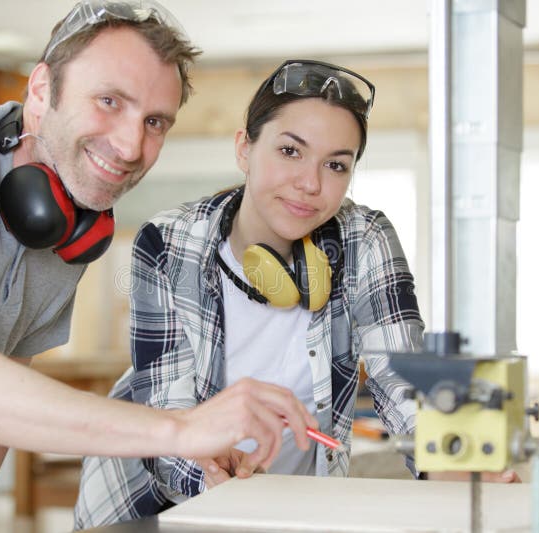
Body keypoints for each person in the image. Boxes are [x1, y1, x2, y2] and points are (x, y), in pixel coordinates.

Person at [0, 3, 318, 531]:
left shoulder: (69, 223)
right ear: (41, 90)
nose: (130, 146)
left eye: (154, 122)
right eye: (108, 101)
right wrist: (177, 430)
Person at [74, 58, 432, 528]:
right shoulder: (169, 242)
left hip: (293, 507)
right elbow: (165, 416)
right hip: (149, 506)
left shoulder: (364, 238)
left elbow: (403, 377)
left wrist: (445, 456)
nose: (310, 183)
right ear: (245, 148)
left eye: (336, 164)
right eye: (290, 151)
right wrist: (208, 470)